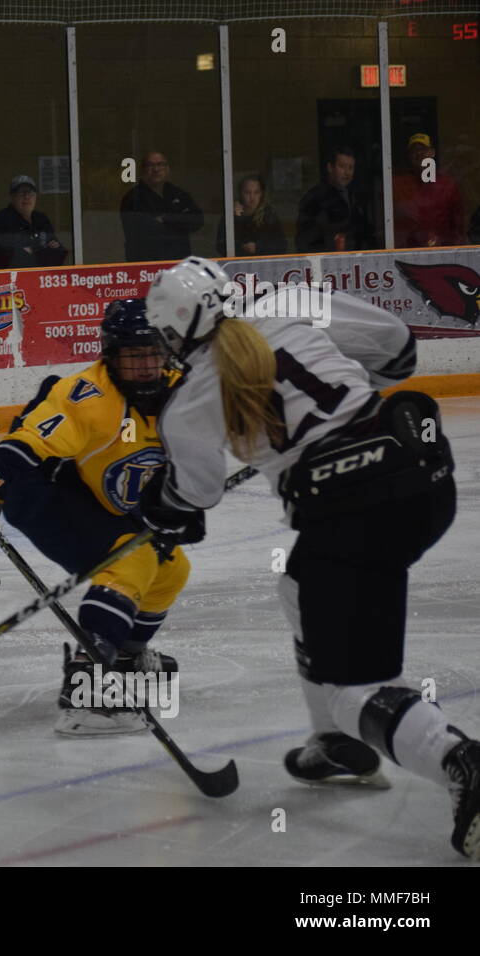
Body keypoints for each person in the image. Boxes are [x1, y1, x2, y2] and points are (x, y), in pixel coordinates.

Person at [142, 255, 477, 860]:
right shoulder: (289, 309)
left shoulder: (190, 398)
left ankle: (459, 759)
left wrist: (159, 509)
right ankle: (334, 745)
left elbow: (195, 494)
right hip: (424, 475)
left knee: (355, 694)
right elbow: (399, 349)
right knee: (297, 586)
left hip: (353, 514)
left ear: (173, 332)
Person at [0, 300, 187, 736]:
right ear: (110, 355)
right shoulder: (88, 398)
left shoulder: (182, 388)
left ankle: (124, 658)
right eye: (134, 356)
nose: (148, 366)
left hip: (99, 498)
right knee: (132, 559)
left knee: (171, 569)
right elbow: (30, 442)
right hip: (45, 492)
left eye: (155, 352)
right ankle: (88, 686)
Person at [119, 152, 204, 262]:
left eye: (160, 164)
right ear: (142, 170)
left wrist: (166, 218)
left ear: (167, 169)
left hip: (179, 263)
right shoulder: (132, 198)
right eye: (150, 165)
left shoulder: (178, 193)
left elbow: (198, 220)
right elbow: (144, 231)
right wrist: (179, 221)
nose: (156, 169)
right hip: (145, 266)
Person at [392, 133, 466, 249]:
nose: (419, 153)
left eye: (423, 149)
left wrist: (455, 246)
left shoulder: (447, 184)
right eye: (414, 150)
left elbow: (458, 224)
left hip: (444, 251)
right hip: (407, 251)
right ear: (409, 156)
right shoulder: (397, 184)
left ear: (432, 153)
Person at [295, 145, 374, 252]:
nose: (347, 173)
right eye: (342, 166)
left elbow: (365, 234)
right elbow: (305, 241)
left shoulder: (358, 196)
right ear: (330, 168)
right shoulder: (315, 198)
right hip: (326, 262)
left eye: (351, 167)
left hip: (356, 262)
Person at [0, 175, 67, 269]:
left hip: (42, 276)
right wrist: (42, 249)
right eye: (22, 192)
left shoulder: (41, 218)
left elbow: (59, 252)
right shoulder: (3, 219)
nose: (27, 196)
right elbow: (11, 257)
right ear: (12, 197)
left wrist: (33, 250)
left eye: (31, 192)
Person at [216, 174, 287, 257]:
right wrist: (237, 218)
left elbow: (281, 246)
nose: (252, 197)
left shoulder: (269, 215)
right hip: (238, 266)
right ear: (240, 193)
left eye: (256, 192)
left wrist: (258, 248)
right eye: (247, 192)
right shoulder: (230, 215)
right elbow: (221, 245)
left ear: (261, 194)